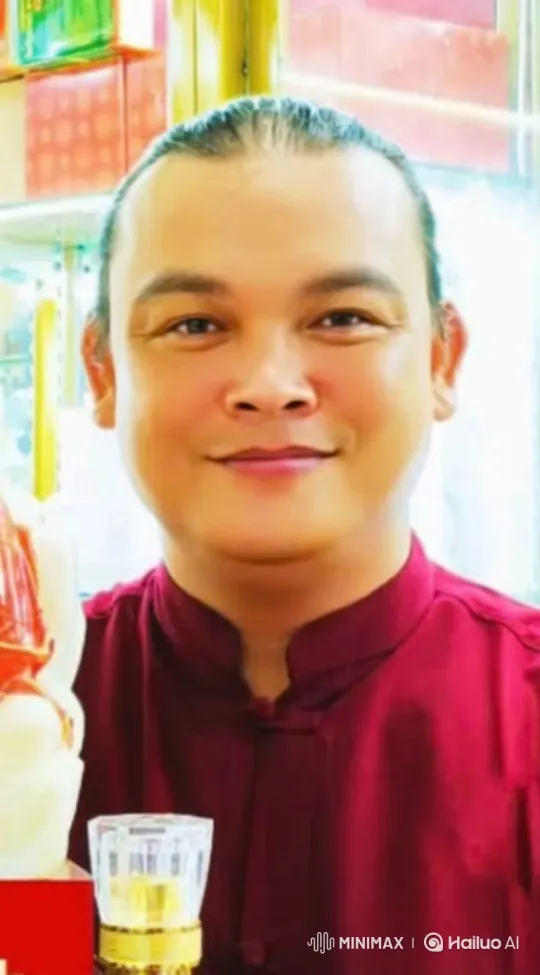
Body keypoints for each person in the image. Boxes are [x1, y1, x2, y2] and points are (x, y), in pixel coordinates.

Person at [69, 96, 539, 974]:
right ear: (103, 372)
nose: (269, 384)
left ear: (443, 358)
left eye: (343, 317)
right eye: (194, 325)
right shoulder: (37, 720)